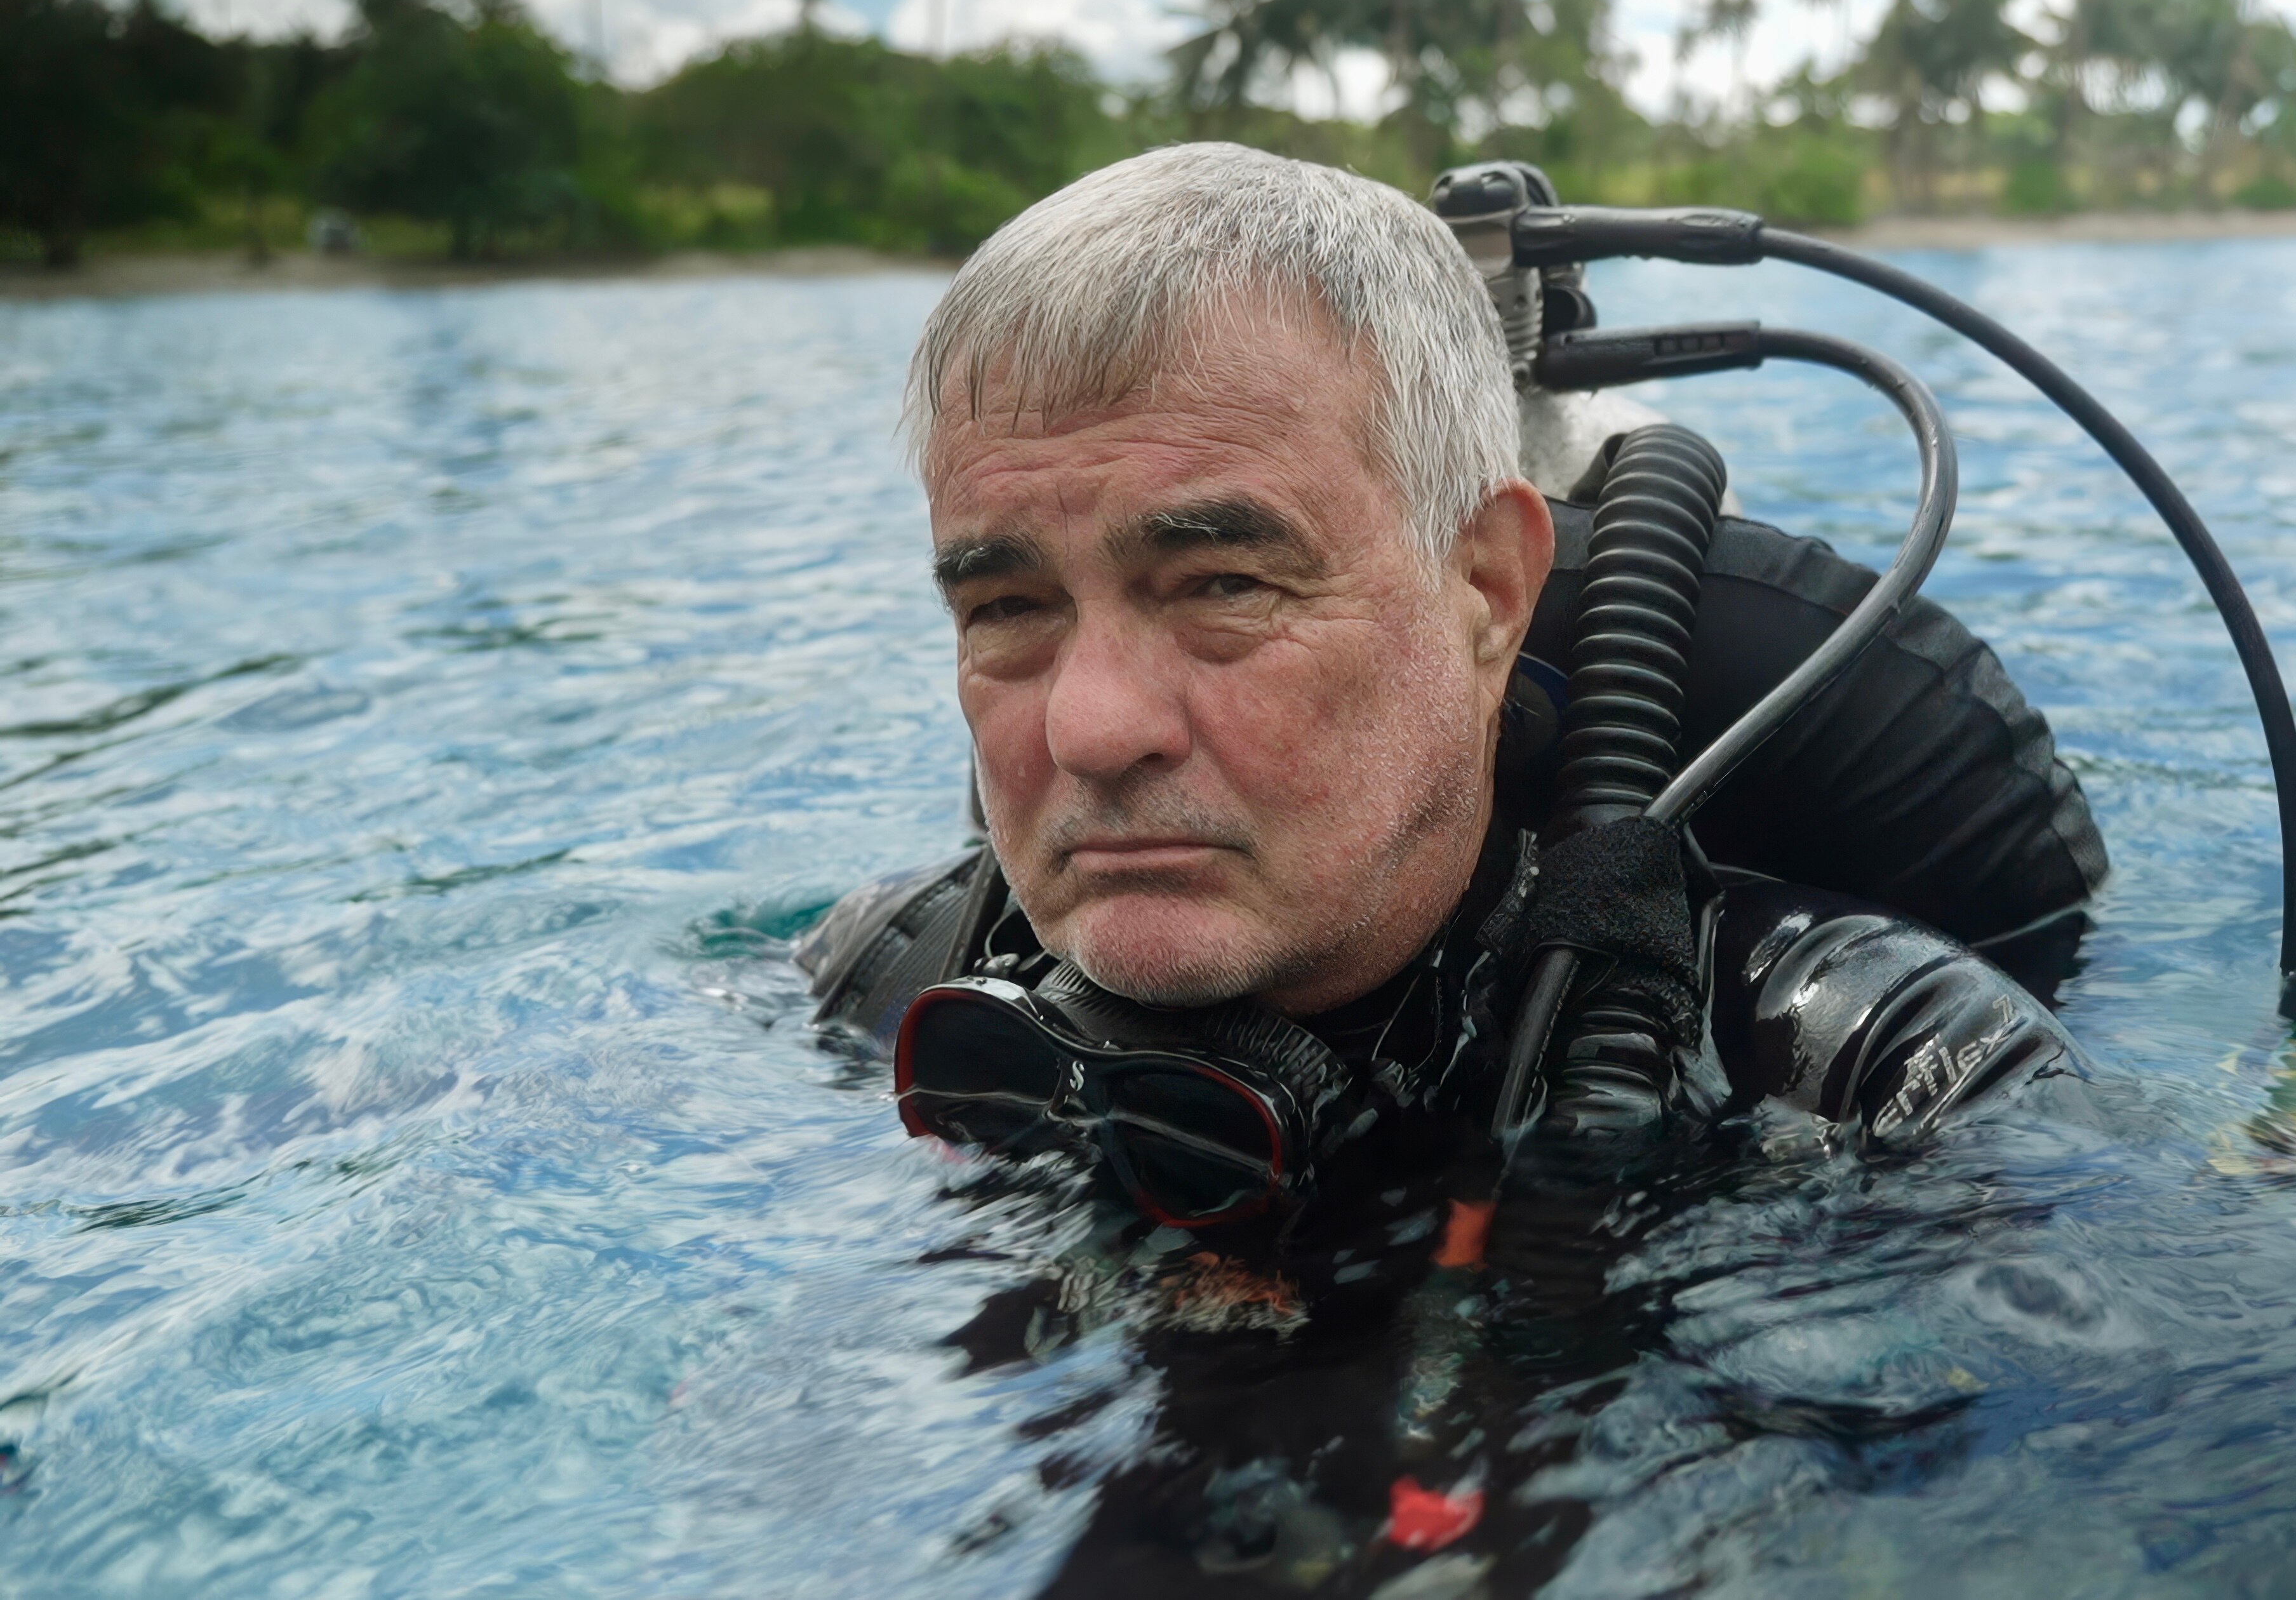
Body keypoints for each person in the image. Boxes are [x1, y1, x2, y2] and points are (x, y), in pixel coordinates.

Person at [795, 143, 2106, 1590]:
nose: (1092, 726)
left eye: (1224, 584)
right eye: (1007, 604)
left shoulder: (1871, 1072)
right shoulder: (889, 989)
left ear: (1486, 592)